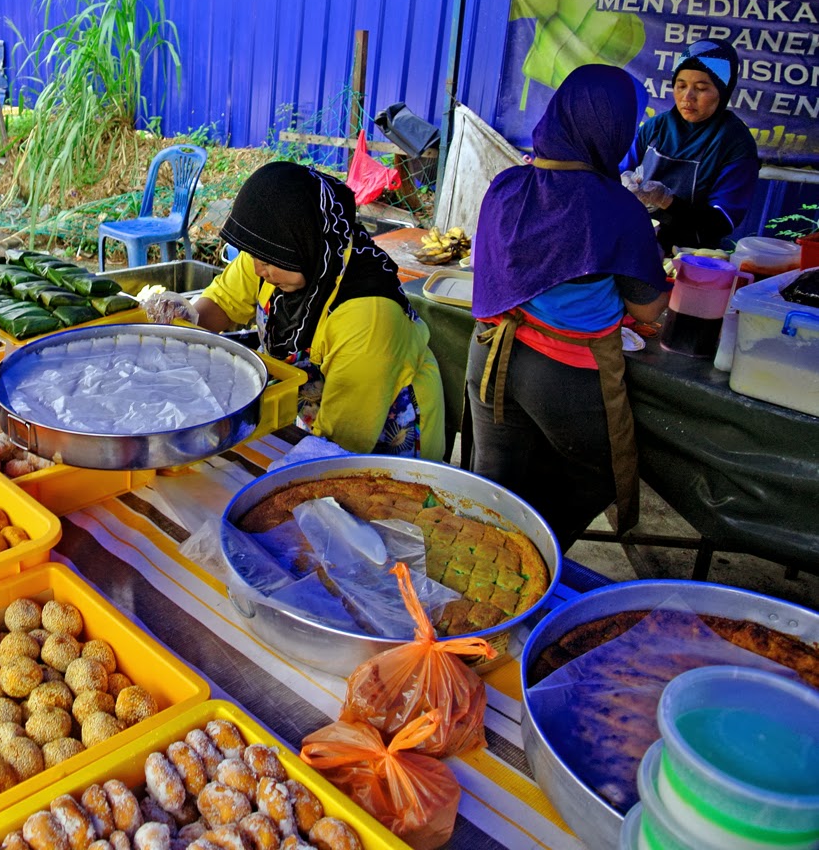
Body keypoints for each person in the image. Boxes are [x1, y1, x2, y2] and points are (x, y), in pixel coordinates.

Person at [466, 64, 670, 548]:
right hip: (566, 375)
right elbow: (647, 311)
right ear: (614, 130)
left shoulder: (507, 186)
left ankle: (479, 576)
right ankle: (531, 561)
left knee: (491, 489)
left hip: (489, 354)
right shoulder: (617, 208)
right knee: (596, 474)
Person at [192, 162, 444, 459]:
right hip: (310, 418)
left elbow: (341, 443)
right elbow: (222, 302)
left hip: (377, 440)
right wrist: (184, 324)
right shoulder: (271, 254)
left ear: (309, 245)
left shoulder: (368, 315)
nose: (260, 268)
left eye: (271, 259)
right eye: (255, 255)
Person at [621, 38, 759, 252]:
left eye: (701, 88)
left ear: (722, 93)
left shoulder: (735, 143)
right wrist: (624, 183)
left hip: (690, 255)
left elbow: (722, 222)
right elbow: (618, 171)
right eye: (681, 85)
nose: (688, 97)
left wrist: (666, 200)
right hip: (634, 242)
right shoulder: (656, 127)